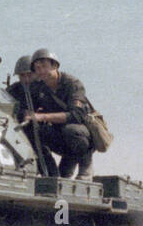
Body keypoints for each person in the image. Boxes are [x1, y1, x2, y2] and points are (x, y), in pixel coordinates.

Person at [19, 48, 93, 179]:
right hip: (59, 135)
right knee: (30, 130)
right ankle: (51, 174)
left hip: (81, 135)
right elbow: (26, 105)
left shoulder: (72, 84)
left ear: (55, 65)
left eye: (44, 66)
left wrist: (42, 117)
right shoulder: (38, 87)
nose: (41, 71)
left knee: (72, 131)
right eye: (37, 68)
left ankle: (85, 165)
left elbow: (76, 116)